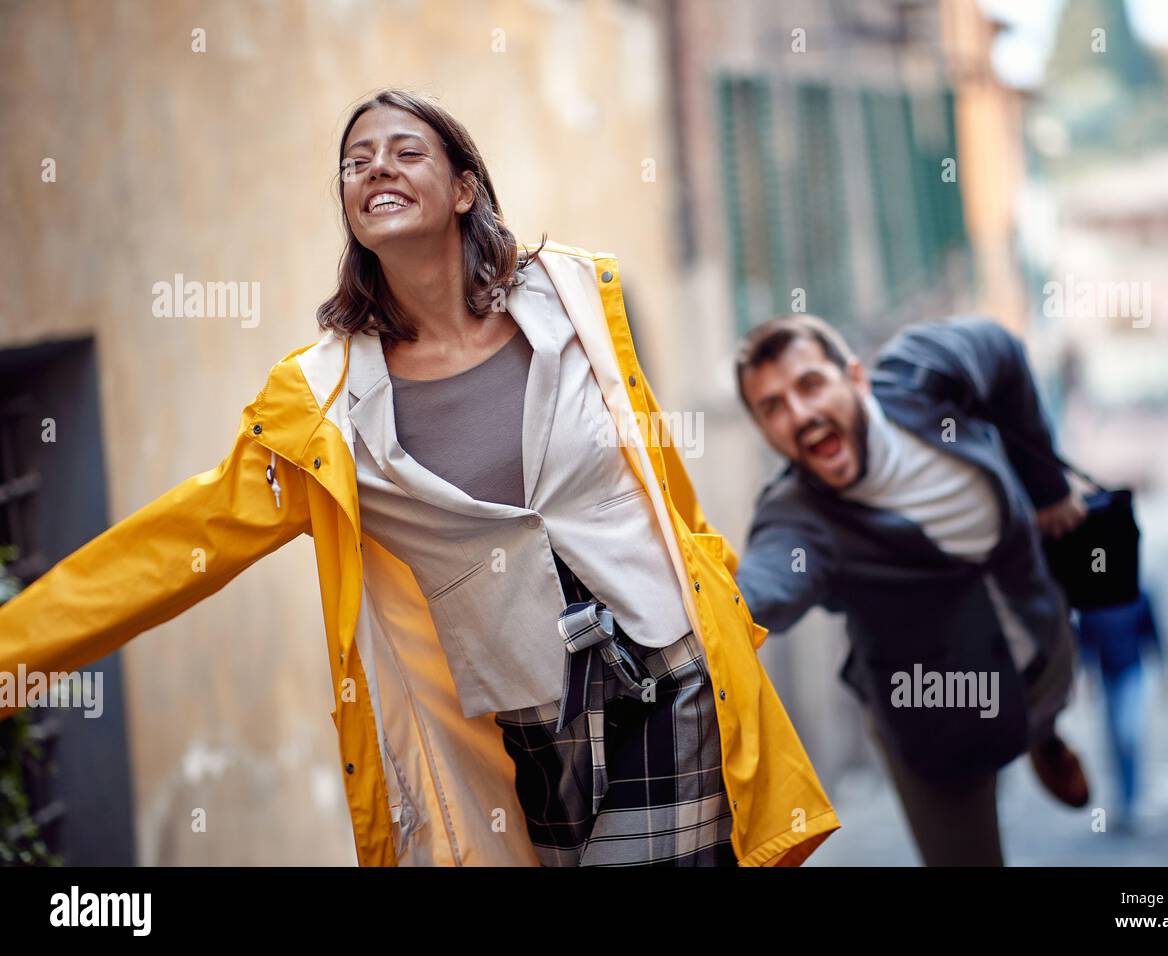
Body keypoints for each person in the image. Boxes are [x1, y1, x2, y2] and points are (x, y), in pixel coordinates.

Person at [0, 89, 840, 867]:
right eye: (356, 161)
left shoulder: (576, 297)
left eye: (406, 151)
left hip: (669, 677)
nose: (376, 168)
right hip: (527, 731)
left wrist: (719, 587)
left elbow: (656, 482)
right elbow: (179, 545)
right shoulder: (321, 404)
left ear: (465, 188)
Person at [733, 312, 1091, 866]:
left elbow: (1002, 352)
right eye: (772, 408)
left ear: (856, 377)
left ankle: (1043, 738)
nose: (799, 414)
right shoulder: (797, 519)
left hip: (1042, 651)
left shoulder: (925, 372)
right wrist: (703, 609)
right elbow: (760, 588)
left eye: (809, 384)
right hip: (935, 721)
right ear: (762, 431)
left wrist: (1047, 488)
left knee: (1043, 702)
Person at [1075, 588, 1168, 831]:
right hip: (1107, 677)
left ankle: (1130, 800)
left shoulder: (1141, 593)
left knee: (1128, 735)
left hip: (1132, 674)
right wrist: (1086, 675)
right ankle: (1122, 798)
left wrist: (1166, 672)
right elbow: (1085, 638)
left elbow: (1154, 633)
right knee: (1114, 740)